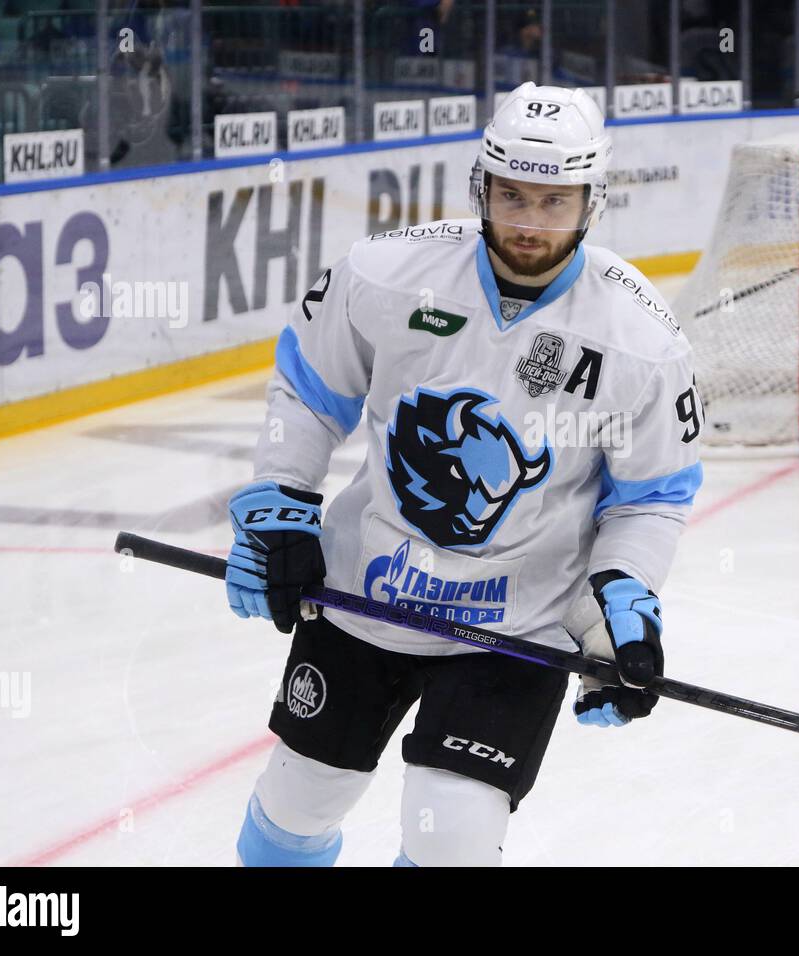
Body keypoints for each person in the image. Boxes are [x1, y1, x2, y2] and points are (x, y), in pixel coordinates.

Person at [226, 82, 703, 866]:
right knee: (295, 810)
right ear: (481, 184)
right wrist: (281, 502)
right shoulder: (387, 272)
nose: (527, 222)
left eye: (554, 202)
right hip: (363, 594)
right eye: (511, 195)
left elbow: (652, 498)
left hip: (513, 628)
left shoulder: (640, 338)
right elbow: (310, 393)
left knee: (452, 837)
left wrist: (623, 602)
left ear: (593, 200)